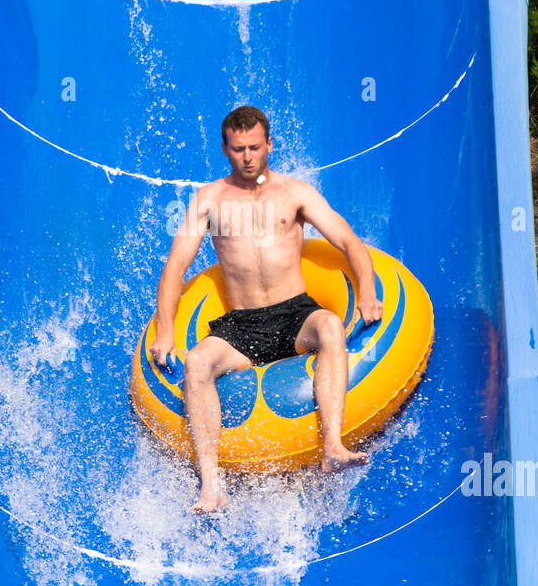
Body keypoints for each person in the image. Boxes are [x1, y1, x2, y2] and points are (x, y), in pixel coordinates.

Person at [149, 105, 384, 514]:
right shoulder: (210, 201)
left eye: (255, 147)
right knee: (198, 361)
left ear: (269, 144)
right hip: (242, 325)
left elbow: (348, 241)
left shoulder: (295, 194)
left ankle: (332, 446)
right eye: (238, 148)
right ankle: (211, 487)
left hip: (295, 315)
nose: (248, 156)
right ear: (224, 149)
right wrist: (166, 330)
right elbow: (175, 268)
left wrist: (365, 292)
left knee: (330, 325)